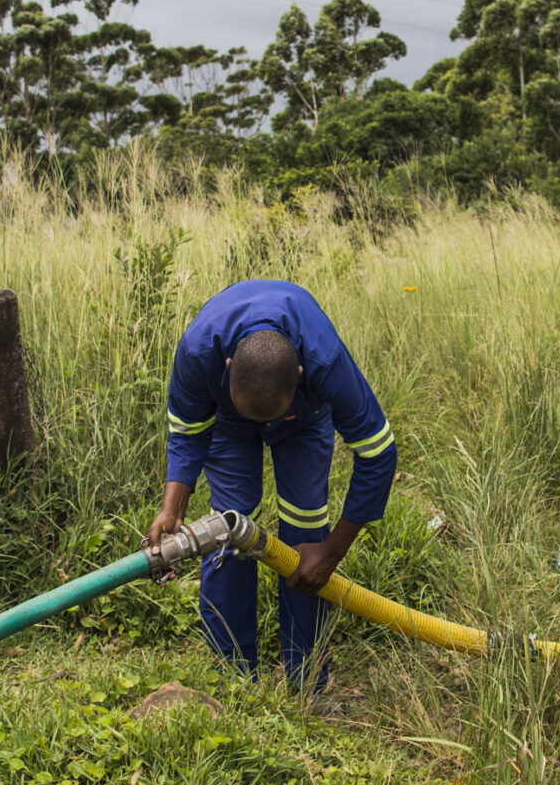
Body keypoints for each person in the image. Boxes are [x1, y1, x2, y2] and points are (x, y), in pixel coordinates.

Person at [145, 279, 396, 692]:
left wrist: (332, 552)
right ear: (226, 369)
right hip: (228, 423)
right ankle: (234, 680)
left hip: (305, 419)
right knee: (226, 531)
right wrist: (171, 511)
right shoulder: (198, 351)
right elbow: (188, 432)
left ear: (300, 373)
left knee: (306, 537)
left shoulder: (324, 360)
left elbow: (379, 450)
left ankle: (307, 683)